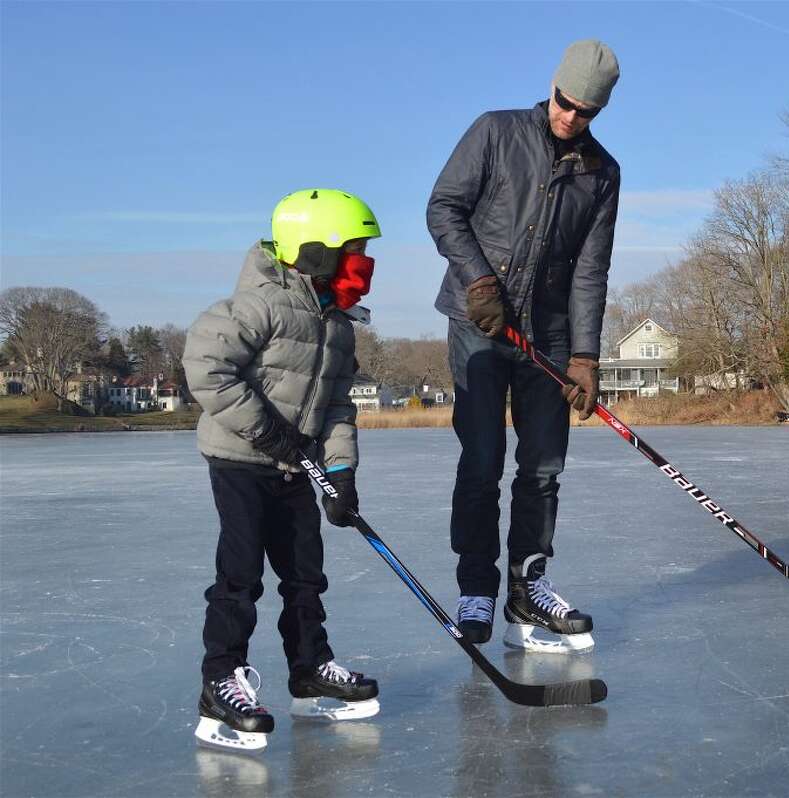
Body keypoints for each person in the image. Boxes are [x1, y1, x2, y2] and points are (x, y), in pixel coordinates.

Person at [426, 40, 621, 653]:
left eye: (585, 111)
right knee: (482, 460)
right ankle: (476, 586)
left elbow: (590, 271)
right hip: (478, 326)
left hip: (550, 338)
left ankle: (526, 588)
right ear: (553, 87)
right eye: (565, 103)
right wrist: (480, 280)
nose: (570, 117)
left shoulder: (602, 173)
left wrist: (585, 357)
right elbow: (444, 209)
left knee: (542, 469)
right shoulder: (495, 131)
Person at [183, 189, 383, 752]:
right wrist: (269, 432)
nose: (363, 260)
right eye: (355, 248)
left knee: (304, 572)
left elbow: (339, 401)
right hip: (241, 459)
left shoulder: (336, 321)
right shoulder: (258, 304)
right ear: (314, 250)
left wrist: (341, 472)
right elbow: (206, 365)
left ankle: (308, 667)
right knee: (241, 572)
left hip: (297, 465)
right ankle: (221, 679)